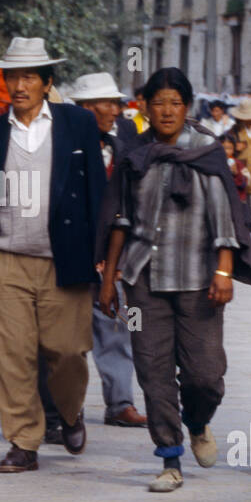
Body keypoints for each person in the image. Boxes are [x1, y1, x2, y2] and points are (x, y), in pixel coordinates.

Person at [99, 68, 251, 492]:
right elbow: (120, 218)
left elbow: (225, 216)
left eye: (175, 102)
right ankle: (169, 457)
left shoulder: (206, 151)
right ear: (145, 108)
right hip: (141, 279)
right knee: (152, 371)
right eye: (158, 103)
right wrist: (108, 277)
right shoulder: (134, 152)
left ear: (186, 107)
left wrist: (225, 271)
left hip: (198, 279)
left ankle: (198, 421)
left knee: (204, 375)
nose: (166, 111)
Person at [0, 37, 105, 473]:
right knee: (13, 355)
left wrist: (100, 257)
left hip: (63, 259)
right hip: (7, 258)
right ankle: (23, 442)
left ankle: (68, 411)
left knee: (66, 351)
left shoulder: (78, 123)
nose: (19, 85)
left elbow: (98, 193)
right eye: (13, 76)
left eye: (29, 77)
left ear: (47, 83)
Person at [68, 71, 148, 429]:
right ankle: (64, 407)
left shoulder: (120, 149)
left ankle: (119, 402)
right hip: (69, 257)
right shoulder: (61, 150)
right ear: (87, 108)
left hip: (110, 259)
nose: (117, 110)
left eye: (117, 103)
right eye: (109, 103)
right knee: (65, 339)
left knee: (116, 328)